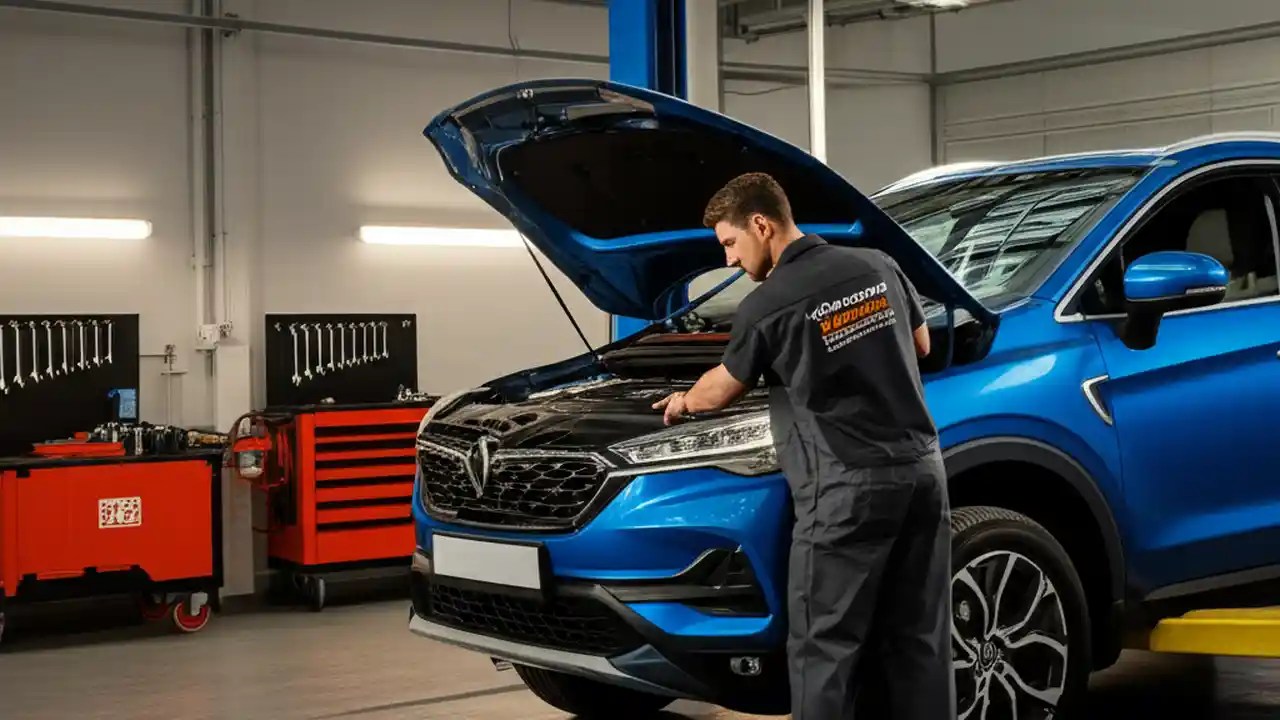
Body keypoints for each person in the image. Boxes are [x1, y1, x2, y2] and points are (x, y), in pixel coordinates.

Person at [652, 172, 954, 719]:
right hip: (922, 473)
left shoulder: (769, 303)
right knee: (921, 635)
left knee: (824, 644)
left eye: (729, 243)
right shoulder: (877, 265)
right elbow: (922, 343)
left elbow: (719, 390)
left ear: (761, 225)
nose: (728, 262)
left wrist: (680, 402)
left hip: (847, 487)